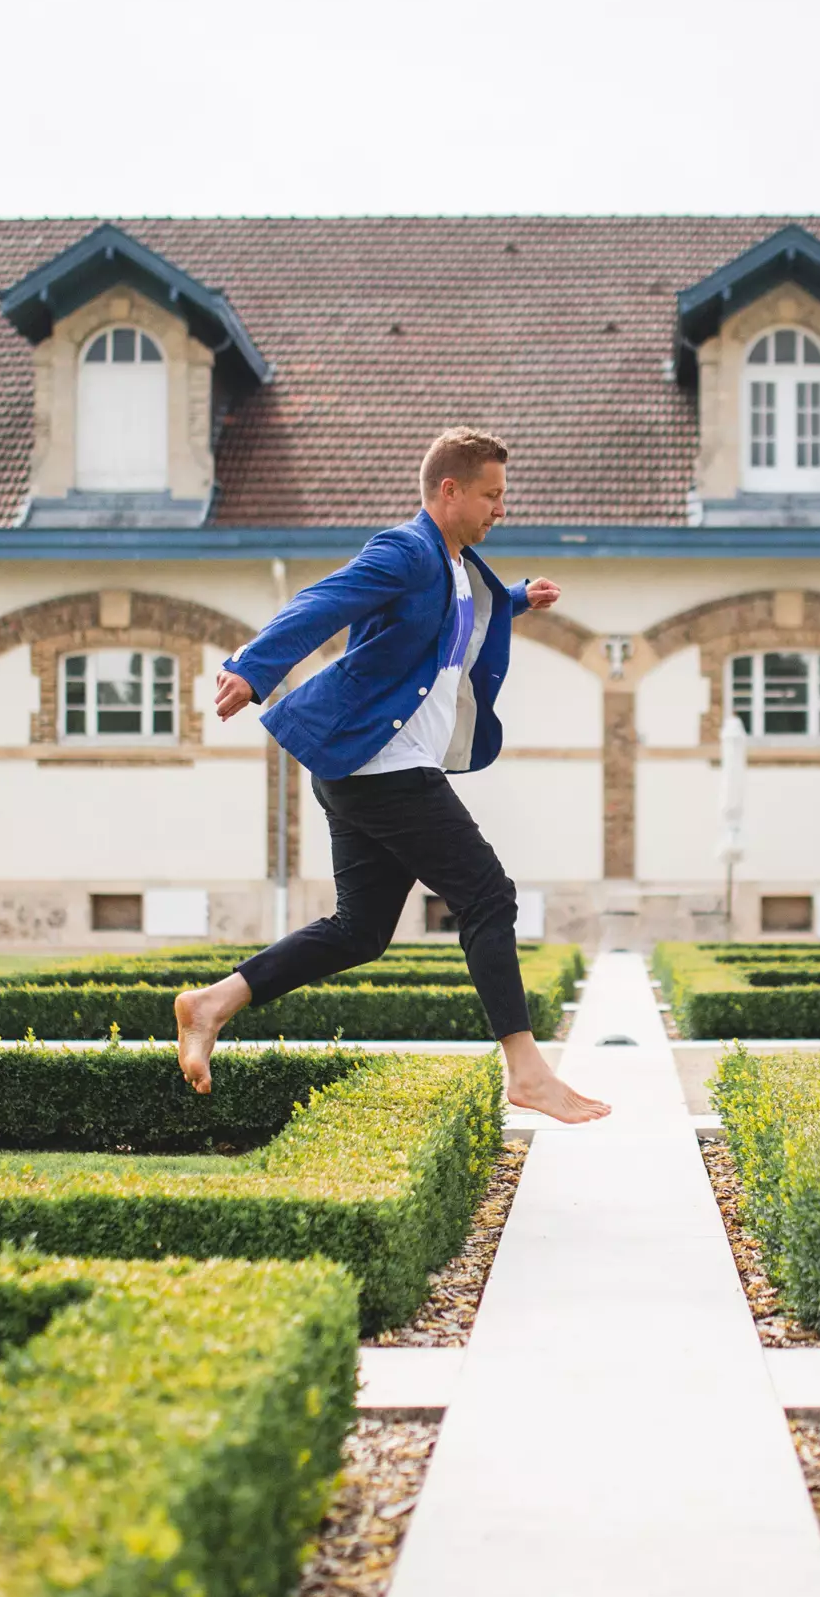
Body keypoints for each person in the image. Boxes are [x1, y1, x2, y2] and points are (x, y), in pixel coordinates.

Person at [173, 427, 612, 1124]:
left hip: (362, 767)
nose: (503, 508)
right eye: (492, 495)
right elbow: (324, 601)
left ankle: (212, 1003)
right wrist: (253, 667)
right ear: (450, 491)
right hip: (385, 766)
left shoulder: (454, 562)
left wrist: (521, 596)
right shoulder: (406, 550)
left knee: (361, 930)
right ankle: (527, 1070)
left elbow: (457, 615)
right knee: (488, 895)